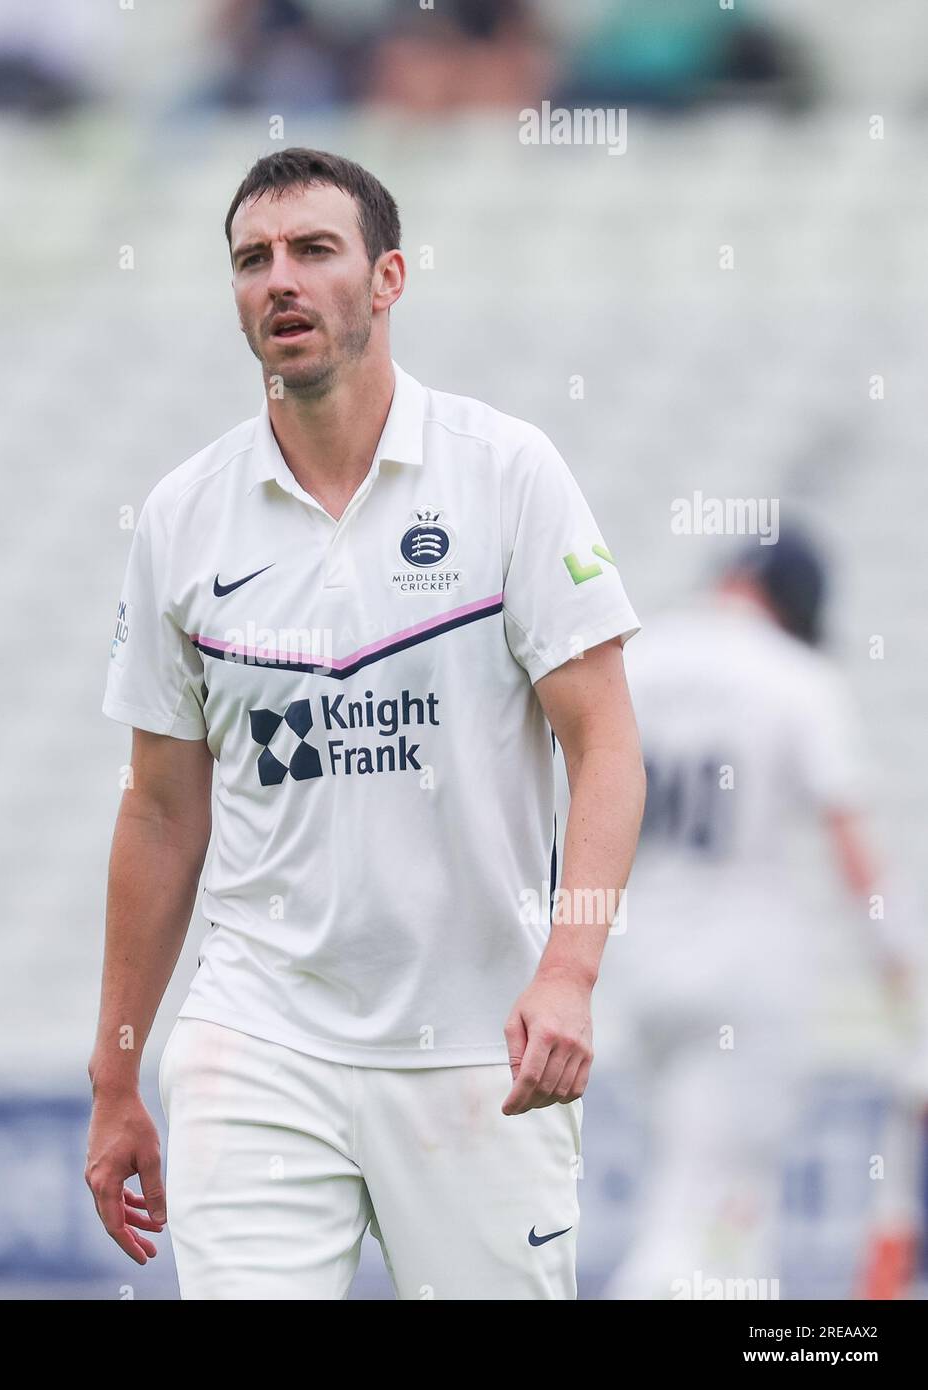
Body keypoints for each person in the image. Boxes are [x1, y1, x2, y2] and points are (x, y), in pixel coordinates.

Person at [86, 147, 646, 1299]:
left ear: (387, 278)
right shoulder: (182, 518)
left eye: (312, 251)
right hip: (257, 1040)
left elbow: (606, 745)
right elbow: (158, 810)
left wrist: (571, 970)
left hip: (479, 1054)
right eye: (251, 260)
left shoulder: (507, 473)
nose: (278, 281)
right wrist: (116, 1070)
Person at [598, 529, 913, 1299]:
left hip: (638, 969)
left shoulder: (635, 663)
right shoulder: (795, 678)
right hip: (746, 975)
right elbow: (852, 849)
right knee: (713, 1217)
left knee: (696, 1200)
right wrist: (902, 968)